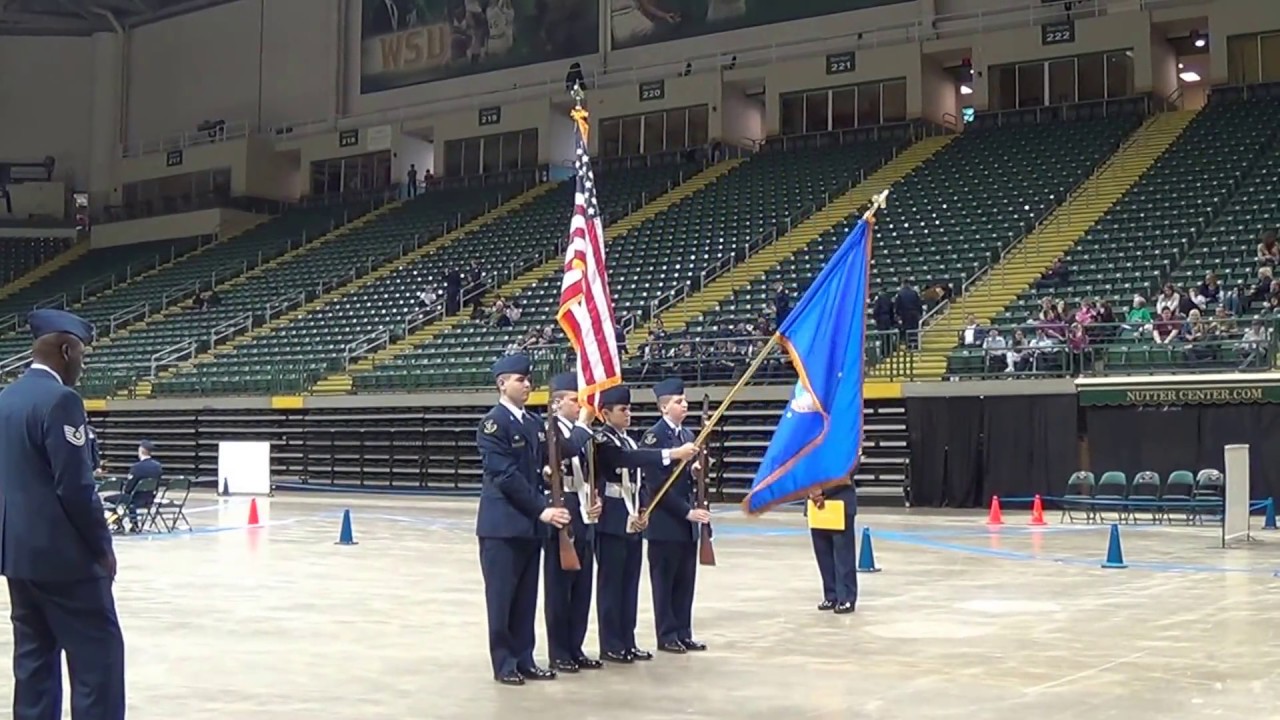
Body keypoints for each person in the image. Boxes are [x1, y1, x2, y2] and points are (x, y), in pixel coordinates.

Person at [0, 308, 125, 719]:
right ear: (66, 350)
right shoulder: (61, 400)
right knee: (97, 664)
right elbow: (75, 487)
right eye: (82, 357)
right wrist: (102, 549)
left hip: (19, 558)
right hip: (67, 563)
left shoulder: (6, 398)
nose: (82, 367)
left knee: (34, 665)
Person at [476, 354, 575, 687]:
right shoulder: (493, 423)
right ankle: (504, 663)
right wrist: (541, 508)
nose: (527, 384)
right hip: (502, 526)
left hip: (529, 526)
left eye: (529, 379)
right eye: (520, 379)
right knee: (502, 599)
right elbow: (504, 475)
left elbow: (535, 470)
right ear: (502, 383)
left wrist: (548, 475)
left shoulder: (532, 423)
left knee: (525, 599)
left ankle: (524, 658)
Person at [593, 383, 697, 663]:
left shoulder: (627, 438)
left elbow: (638, 480)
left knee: (629, 585)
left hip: (631, 518)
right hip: (611, 520)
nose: (628, 414)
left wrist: (643, 508)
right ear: (604, 413)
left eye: (629, 409)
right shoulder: (604, 439)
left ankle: (628, 639)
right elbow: (627, 460)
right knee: (611, 586)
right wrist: (672, 454)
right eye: (622, 410)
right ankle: (611, 643)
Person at [641, 377, 711, 654]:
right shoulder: (654, 437)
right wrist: (686, 512)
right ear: (664, 407)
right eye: (678, 402)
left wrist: (695, 472)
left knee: (685, 581)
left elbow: (688, 477)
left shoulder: (688, 435)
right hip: (665, 521)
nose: (685, 405)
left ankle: (684, 631)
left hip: (687, 524)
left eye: (684, 401)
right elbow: (656, 483)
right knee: (665, 581)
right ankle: (667, 634)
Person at [542, 373, 603, 673]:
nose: (581, 404)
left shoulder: (583, 433)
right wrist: (584, 425)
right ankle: (559, 651)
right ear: (556, 404)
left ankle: (575, 646)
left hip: (583, 512)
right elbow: (565, 450)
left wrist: (598, 495)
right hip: (562, 513)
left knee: (582, 588)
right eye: (574, 399)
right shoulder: (550, 431)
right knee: (560, 589)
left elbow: (593, 470)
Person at [808, 479, 859, 614]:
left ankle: (846, 597)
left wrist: (821, 491)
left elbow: (846, 474)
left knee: (843, 556)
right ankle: (831, 595)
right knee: (823, 555)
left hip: (840, 503)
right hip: (816, 504)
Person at [104, 440, 163, 532]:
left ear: (141, 450)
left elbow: (128, 489)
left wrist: (126, 490)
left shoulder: (136, 467)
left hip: (135, 500)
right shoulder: (158, 466)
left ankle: (119, 522)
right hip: (149, 499)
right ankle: (131, 523)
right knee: (126, 500)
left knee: (110, 499)